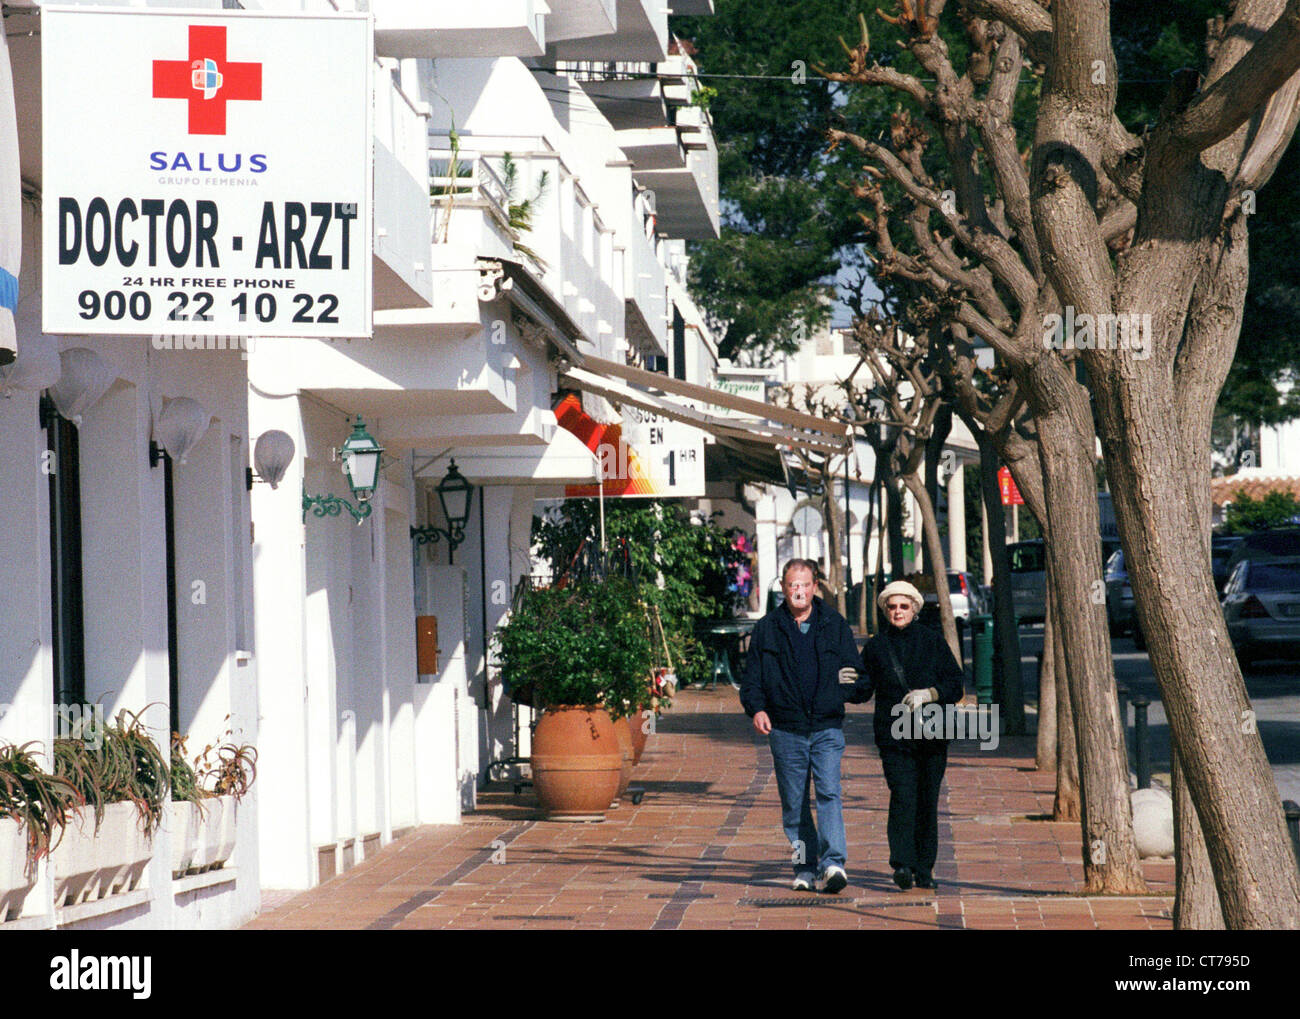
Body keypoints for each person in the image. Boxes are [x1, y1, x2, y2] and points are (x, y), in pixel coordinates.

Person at [740, 558, 863, 893]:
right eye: (793, 585)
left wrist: (846, 690)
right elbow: (751, 680)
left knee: (828, 792)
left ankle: (833, 863)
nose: (799, 591)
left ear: (815, 587)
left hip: (826, 726)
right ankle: (804, 867)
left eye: (805, 585)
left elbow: (856, 673)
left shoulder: (834, 624)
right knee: (794, 804)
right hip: (785, 729)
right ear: (783, 587)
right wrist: (757, 709)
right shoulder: (767, 629)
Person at [849, 579, 964, 891]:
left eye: (903, 606)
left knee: (927, 800)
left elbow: (955, 684)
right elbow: (862, 689)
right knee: (902, 796)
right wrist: (844, 682)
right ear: (885, 610)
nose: (897, 611)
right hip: (894, 736)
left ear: (914, 609)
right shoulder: (876, 647)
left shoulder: (933, 642)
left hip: (932, 735)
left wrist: (931, 693)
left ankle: (924, 869)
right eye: (892, 607)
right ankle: (902, 864)